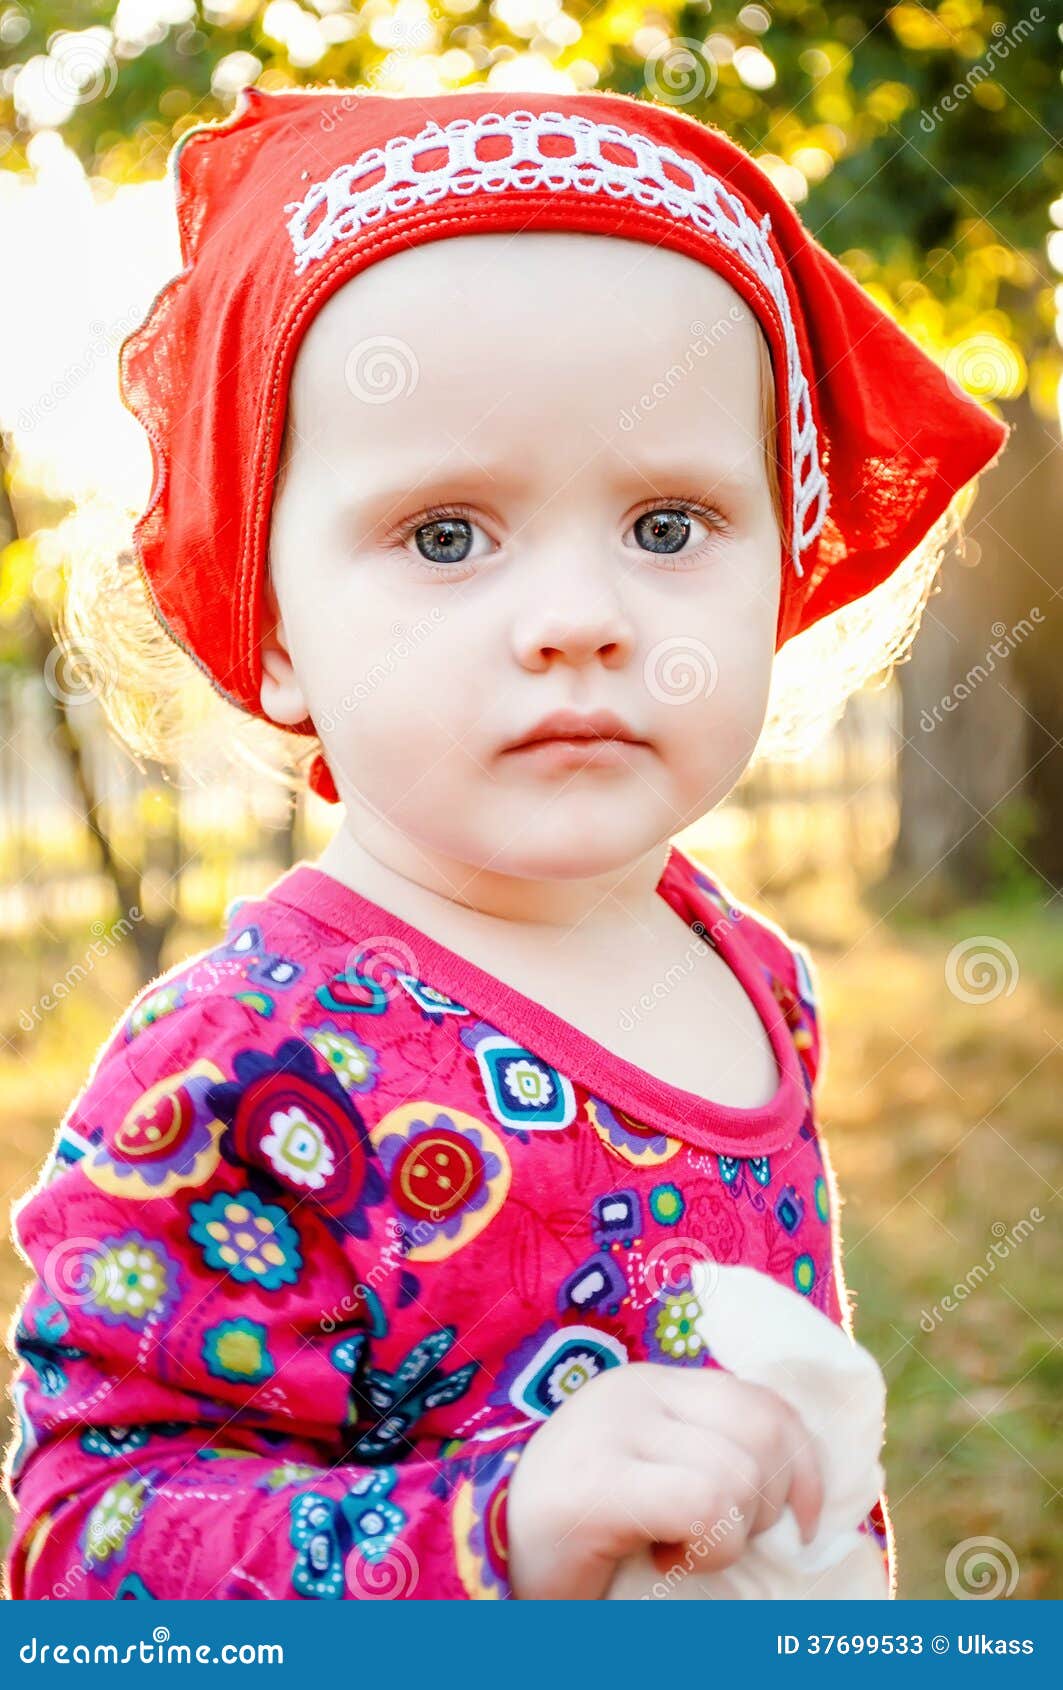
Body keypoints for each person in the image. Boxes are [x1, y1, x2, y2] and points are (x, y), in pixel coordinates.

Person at [3, 84, 1007, 1602]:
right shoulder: (243, 1063)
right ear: (269, 627)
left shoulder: (750, 972)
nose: (580, 620)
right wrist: (506, 1524)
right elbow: (87, 1548)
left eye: (670, 524)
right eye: (448, 534)